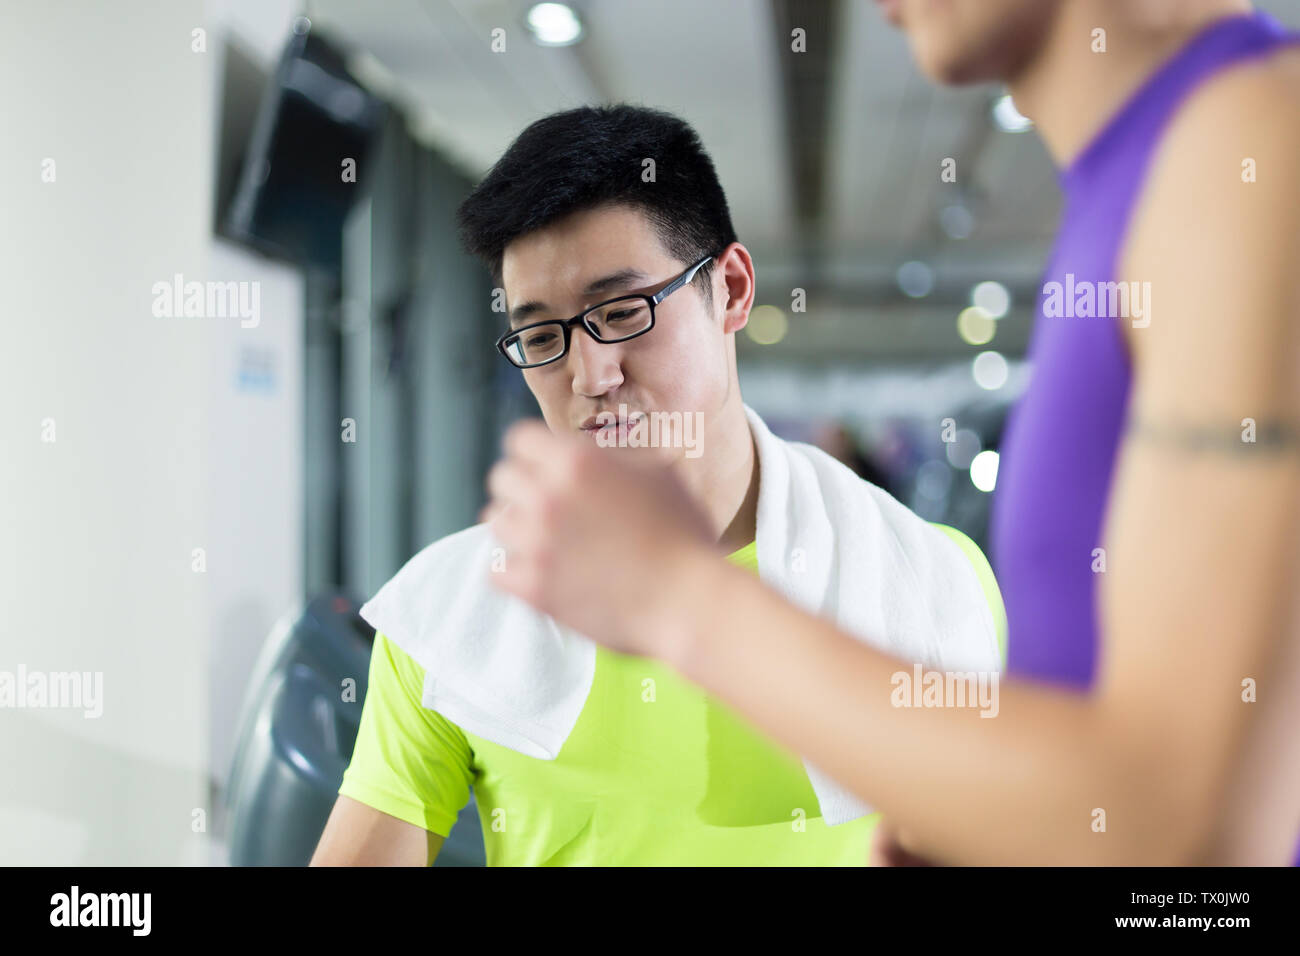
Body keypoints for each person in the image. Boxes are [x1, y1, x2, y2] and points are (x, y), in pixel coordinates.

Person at [482, 0, 1300, 864]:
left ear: (728, 290)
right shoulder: (1141, 176)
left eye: (618, 311)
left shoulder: (1247, 141)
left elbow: (1194, 831)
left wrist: (680, 594)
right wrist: (992, 822)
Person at [311, 105, 1006, 866]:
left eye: (620, 311)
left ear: (732, 289)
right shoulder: (451, 610)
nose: (590, 375)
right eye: (542, 336)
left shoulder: (931, 578)